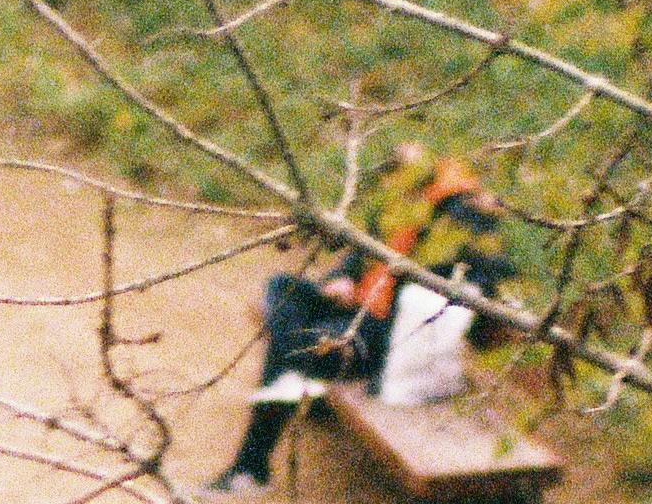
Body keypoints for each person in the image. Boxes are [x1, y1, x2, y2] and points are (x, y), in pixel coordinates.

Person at [211, 151, 512, 486]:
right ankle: (292, 369)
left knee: (286, 352)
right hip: (354, 311)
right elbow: (362, 254)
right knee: (282, 288)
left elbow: (484, 283)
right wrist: (342, 280)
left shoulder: (463, 213)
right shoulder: (403, 201)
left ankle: (250, 467)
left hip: (383, 335)